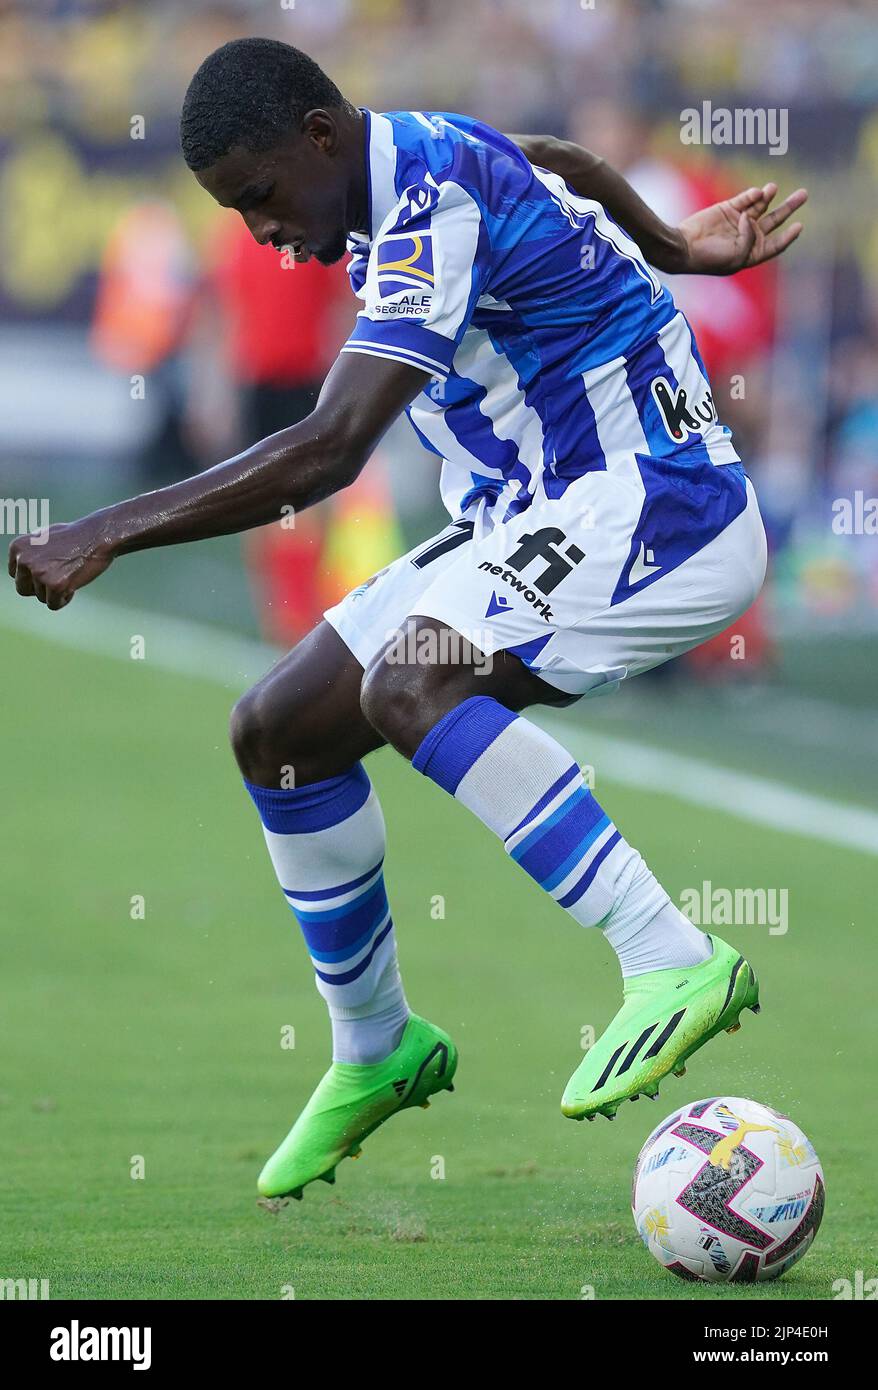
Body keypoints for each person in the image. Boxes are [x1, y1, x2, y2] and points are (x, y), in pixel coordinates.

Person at [8, 38, 808, 1202]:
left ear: (322, 137)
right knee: (277, 733)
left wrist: (106, 530)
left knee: (412, 682)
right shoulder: (400, 159)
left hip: (653, 497)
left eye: (264, 197)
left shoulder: (421, 199)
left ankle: (670, 954)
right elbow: (554, 158)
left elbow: (329, 453)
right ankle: (376, 1044)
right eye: (236, 214)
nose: (261, 233)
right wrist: (674, 246)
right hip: (531, 504)